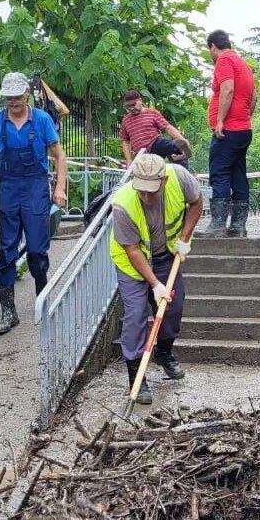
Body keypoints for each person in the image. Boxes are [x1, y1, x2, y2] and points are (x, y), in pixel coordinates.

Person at [109, 153, 203, 404]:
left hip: (165, 256)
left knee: (174, 307)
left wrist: (184, 238)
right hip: (132, 264)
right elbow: (132, 250)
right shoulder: (123, 204)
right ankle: (136, 377)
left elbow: (196, 203)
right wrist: (155, 284)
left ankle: (164, 353)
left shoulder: (180, 177)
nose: (147, 197)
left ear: (163, 180)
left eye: (152, 191)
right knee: (136, 314)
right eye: (142, 191)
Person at [0, 71, 68, 335]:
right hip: (7, 188)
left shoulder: (41, 120)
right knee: (5, 250)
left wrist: (59, 188)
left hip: (35, 188)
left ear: (27, 94)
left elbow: (59, 156)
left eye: (17, 97)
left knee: (37, 250)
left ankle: (42, 298)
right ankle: (9, 312)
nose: (13, 102)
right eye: (8, 98)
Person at [203, 29, 256, 238]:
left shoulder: (224, 61)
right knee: (238, 175)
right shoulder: (243, 64)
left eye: (210, 50)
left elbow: (228, 89)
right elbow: (254, 97)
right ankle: (238, 226)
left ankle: (217, 226)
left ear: (213, 46)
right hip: (243, 129)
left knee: (220, 174)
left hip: (228, 131)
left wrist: (220, 121)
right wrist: (244, 116)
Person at [119, 90, 192, 167]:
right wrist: (129, 160)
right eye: (128, 106)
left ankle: (182, 171)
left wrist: (182, 139)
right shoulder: (126, 120)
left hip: (155, 144)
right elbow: (125, 141)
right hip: (142, 154)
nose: (131, 108)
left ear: (140, 100)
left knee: (176, 146)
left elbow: (167, 128)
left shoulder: (152, 113)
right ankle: (174, 158)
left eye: (133, 105)